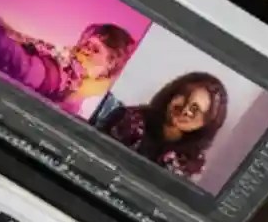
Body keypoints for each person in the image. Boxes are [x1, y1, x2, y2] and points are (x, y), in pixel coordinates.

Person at [0, 0, 138, 118]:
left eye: (95, 50)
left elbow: (16, 61)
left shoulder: (71, 88)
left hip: (34, 72)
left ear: (105, 70)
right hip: (28, 61)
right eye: (86, 43)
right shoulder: (59, 58)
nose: (86, 48)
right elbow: (18, 39)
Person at [95, 72, 229, 180]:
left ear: (205, 124)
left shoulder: (192, 164)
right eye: (185, 97)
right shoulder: (128, 118)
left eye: (195, 109)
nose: (186, 110)